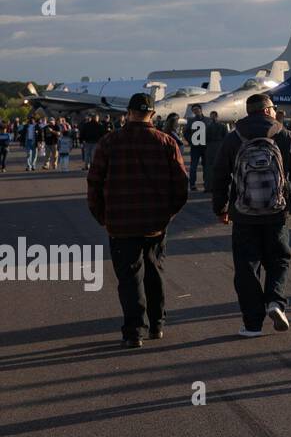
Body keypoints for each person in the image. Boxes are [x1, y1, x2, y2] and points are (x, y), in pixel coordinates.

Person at [87, 93, 189, 348]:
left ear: (128, 113)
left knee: (130, 278)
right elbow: (181, 186)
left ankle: (134, 331)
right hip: (155, 224)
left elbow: (94, 184)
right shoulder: (166, 142)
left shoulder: (109, 142)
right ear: (152, 114)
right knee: (154, 273)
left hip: (120, 224)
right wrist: (167, 215)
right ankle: (156, 325)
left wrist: (103, 217)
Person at [210, 93, 291, 337]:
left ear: (249, 112)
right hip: (277, 213)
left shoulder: (233, 138)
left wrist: (221, 208)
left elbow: (220, 176)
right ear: (268, 110)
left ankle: (252, 324)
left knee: (246, 267)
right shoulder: (286, 136)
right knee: (279, 260)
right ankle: (275, 302)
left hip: (243, 214)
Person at [183, 103, 207, 191]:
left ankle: (206, 183)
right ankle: (192, 184)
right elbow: (186, 133)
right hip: (195, 147)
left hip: (205, 147)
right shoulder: (191, 121)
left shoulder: (208, 120)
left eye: (197, 109)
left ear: (201, 110)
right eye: (194, 110)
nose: (196, 111)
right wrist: (191, 141)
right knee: (193, 166)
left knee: (206, 166)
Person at [203, 111, 228, 193]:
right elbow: (226, 138)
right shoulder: (223, 126)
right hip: (220, 146)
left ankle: (208, 187)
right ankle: (219, 186)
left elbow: (205, 138)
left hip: (210, 147)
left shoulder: (208, 127)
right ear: (217, 116)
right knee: (220, 167)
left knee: (209, 168)